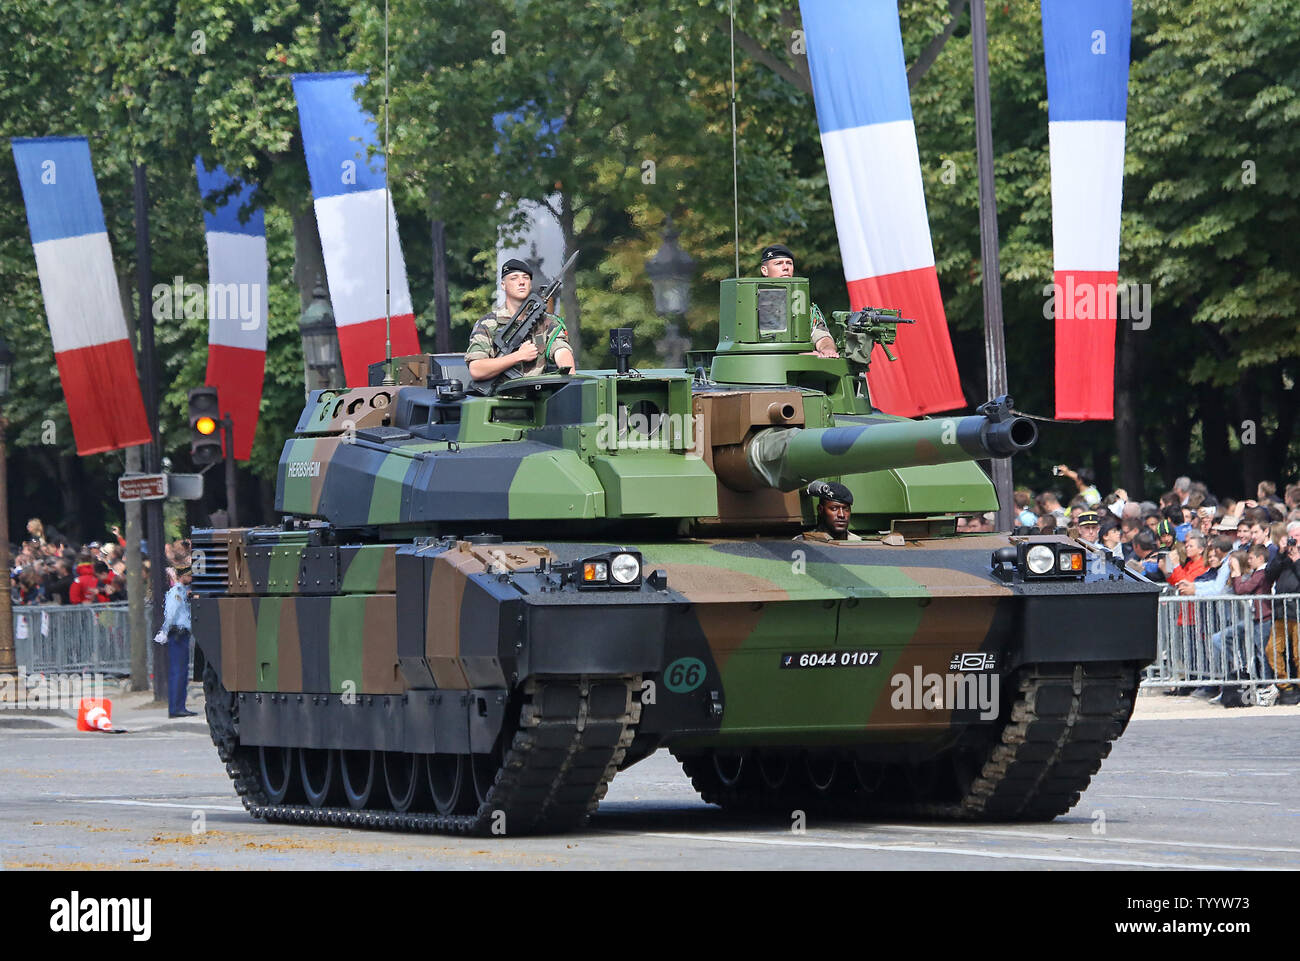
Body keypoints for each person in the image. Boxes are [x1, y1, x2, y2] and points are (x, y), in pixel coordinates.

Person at [466, 259, 576, 381]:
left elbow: (561, 351)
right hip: (499, 397)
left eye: (526, 278)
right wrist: (518, 356)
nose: (521, 282)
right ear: (503, 285)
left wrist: (570, 378)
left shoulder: (545, 322)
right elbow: (476, 369)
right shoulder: (488, 323)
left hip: (537, 395)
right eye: (514, 278)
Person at [758, 244, 838, 358]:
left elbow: (820, 335)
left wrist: (827, 349)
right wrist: (800, 353)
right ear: (764, 270)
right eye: (778, 263)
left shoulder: (802, 308)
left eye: (789, 263)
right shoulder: (754, 304)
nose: (785, 267)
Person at [155, 564, 196, 718]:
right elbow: (171, 614)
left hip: (182, 634)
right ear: (181, 576)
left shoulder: (183, 592)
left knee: (181, 672)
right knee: (178, 673)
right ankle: (176, 707)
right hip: (177, 633)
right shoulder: (176, 592)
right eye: (188, 576)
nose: (191, 578)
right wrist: (165, 630)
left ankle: (179, 706)